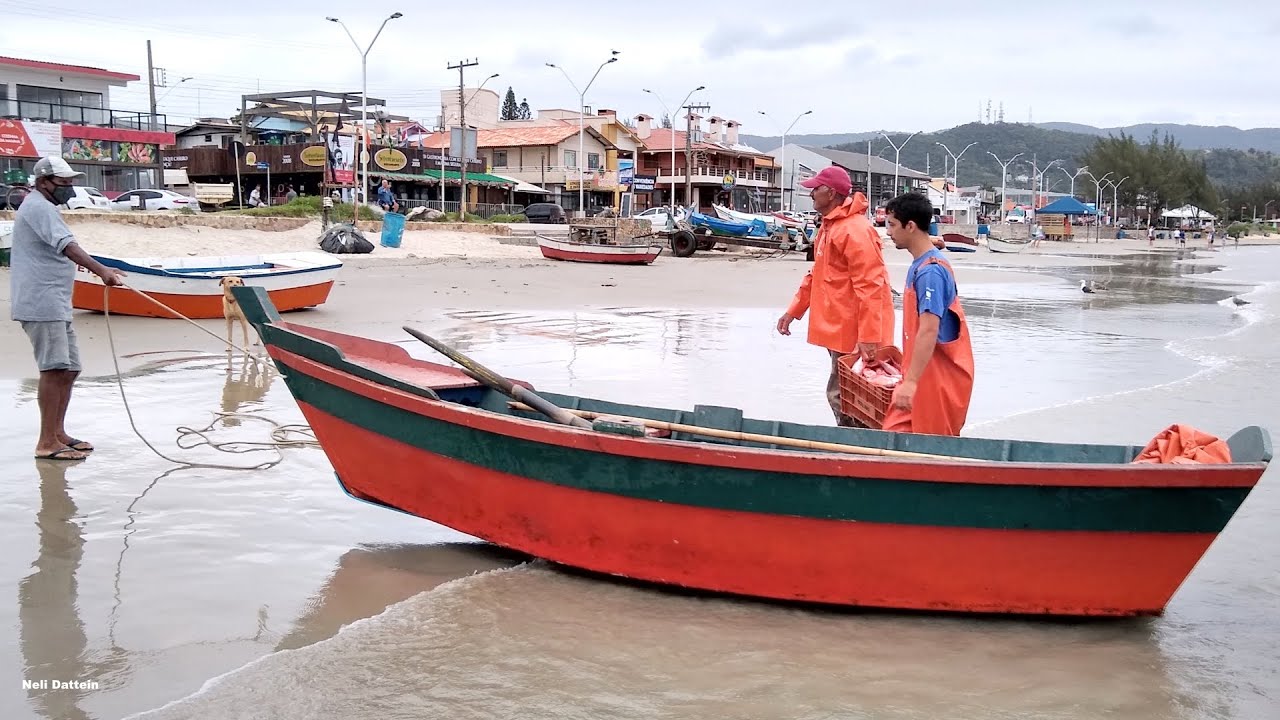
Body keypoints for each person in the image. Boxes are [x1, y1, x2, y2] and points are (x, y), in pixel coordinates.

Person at [11, 156, 126, 461]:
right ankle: (46, 442)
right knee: (54, 369)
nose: (69, 189)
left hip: (57, 300)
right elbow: (67, 246)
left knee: (70, 368)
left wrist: (104, 268)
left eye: (71, 183)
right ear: (44, 182)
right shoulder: (38, 206)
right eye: (64, 183)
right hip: (41, 300)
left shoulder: (46, 207)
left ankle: (58, 433)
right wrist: (102, 271)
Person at [776, 166, 895, 426]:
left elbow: (871, 287)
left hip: (854, 333)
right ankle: (855, 447)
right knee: (844, 394)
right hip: (840, 328)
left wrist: (869, 336)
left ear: (830, 193)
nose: (811, 194)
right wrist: (793, 311)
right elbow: (817, 273)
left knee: (850, 396)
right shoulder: (831, 227)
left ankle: (857, 450)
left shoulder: (854, 230)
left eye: (815, 189)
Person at [879, 192, 974, 437]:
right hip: (920, 373)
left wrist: (911, 383)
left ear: (910, 226)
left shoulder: (930, 271)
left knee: (930, 446)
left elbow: (929, 329)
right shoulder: (921, 264)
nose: (888, 232)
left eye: (891, 224)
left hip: (936, 379)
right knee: (895, 438)